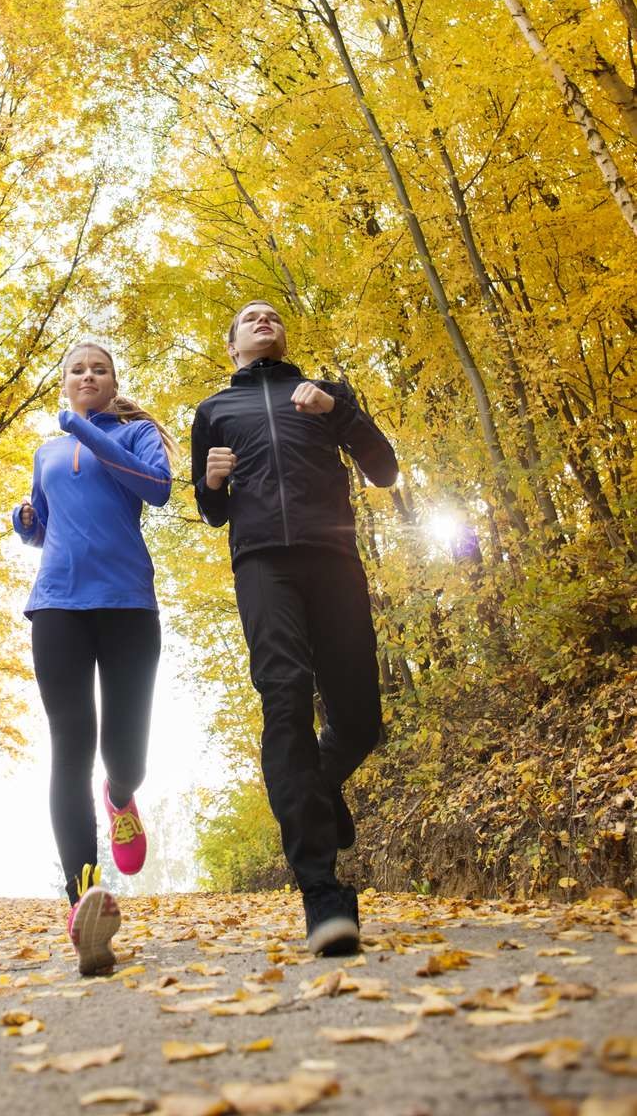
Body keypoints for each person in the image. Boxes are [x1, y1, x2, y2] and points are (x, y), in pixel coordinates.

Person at [190, 301, 398, 957]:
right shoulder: (213, 412)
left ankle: (316, 783)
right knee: (283, 698)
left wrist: (338, 413)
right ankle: (322, 895)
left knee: (361, 720)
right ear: (233, 348)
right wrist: (212, 483)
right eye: (249, 318)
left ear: (282, 337)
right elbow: (211, 511)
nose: (263, 319)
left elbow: (385, 470)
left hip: (334, 558)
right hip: (262, 567)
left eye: (272, 314)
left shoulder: (325, 394)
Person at [14, 341, 174, 975]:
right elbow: (45, 525)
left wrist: (84, 428)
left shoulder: (137, 435)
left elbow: (156, 490)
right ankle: (84, 903)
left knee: (123, 751)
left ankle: (122, 793)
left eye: (99, 369)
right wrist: (26, 521)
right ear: (64, 382)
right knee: (69, 744)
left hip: (128, 601)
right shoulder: (47, 450)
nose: (88, 376)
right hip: (57, 605)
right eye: (77, 370)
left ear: (112, 382)